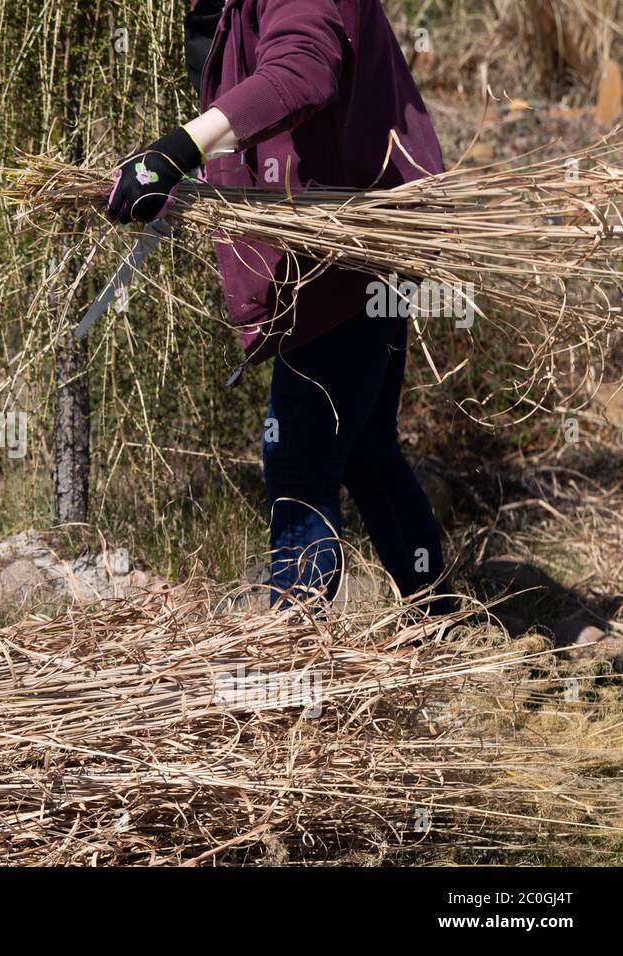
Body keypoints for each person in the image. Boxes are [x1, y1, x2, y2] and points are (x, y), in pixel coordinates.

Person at [107, 0, 453, 612]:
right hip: (348, 243)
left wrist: (175, 149)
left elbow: (300, 74)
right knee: (366, 448)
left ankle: (296, 660)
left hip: (345, 250)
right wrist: (182, 175)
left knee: (297, 457)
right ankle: (439, 621)